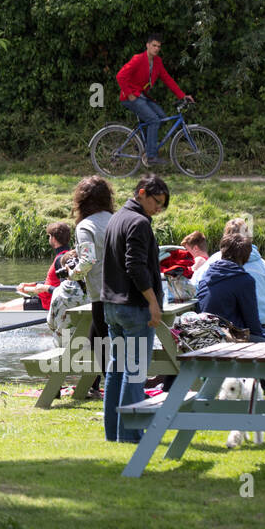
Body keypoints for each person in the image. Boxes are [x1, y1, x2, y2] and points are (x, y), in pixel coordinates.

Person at [101, 174, 169, 443]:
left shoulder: (116, 217)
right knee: (135, 371)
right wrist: (153, 302)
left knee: (117, 369)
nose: (158, 209)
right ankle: (130, 435)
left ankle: (114, 433)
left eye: (162, 205)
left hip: (112, 307)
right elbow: (135, 266)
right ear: (141, 193)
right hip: (134, 307)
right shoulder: (139, 223)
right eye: (156, 201)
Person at [67, 175, 115, 398]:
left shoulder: (86, 226)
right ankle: (91, 386)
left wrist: (71, 273)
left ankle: (118, 395)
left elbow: (87, 261)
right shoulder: (116, 219)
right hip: (125, 292)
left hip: (101, 294)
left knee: (105, 348)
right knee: (95, 341)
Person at [115, 34, 192, 167]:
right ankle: (151, 156)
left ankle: (143, 145)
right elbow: (120, 76)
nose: (156, 48)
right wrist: (129, 94)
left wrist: (182, 96)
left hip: (143, 96)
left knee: (161, 117)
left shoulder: (157, 62)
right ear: (148, 45)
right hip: (131, 97)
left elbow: (168, 79)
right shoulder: (138, 59)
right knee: (153, 120)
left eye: (159, 46)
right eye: (154, 45)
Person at [195, 233, 265, 338]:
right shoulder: (244, 280)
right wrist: (263, 338)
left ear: (222, 251)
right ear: (246, 256)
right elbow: (252, 321)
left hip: (206, 333)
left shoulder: (208, 274)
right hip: (229, 337)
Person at [18, 223, 73, 310]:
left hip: (50, 305)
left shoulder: (60, 260)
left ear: (53, 239)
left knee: (2, 308)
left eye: (49, 236)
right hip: (46, 300)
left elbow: (66, 292)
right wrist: (32, 285)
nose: (49, 239)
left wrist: (45, 288)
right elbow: (55, 282)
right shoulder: (67, 255)